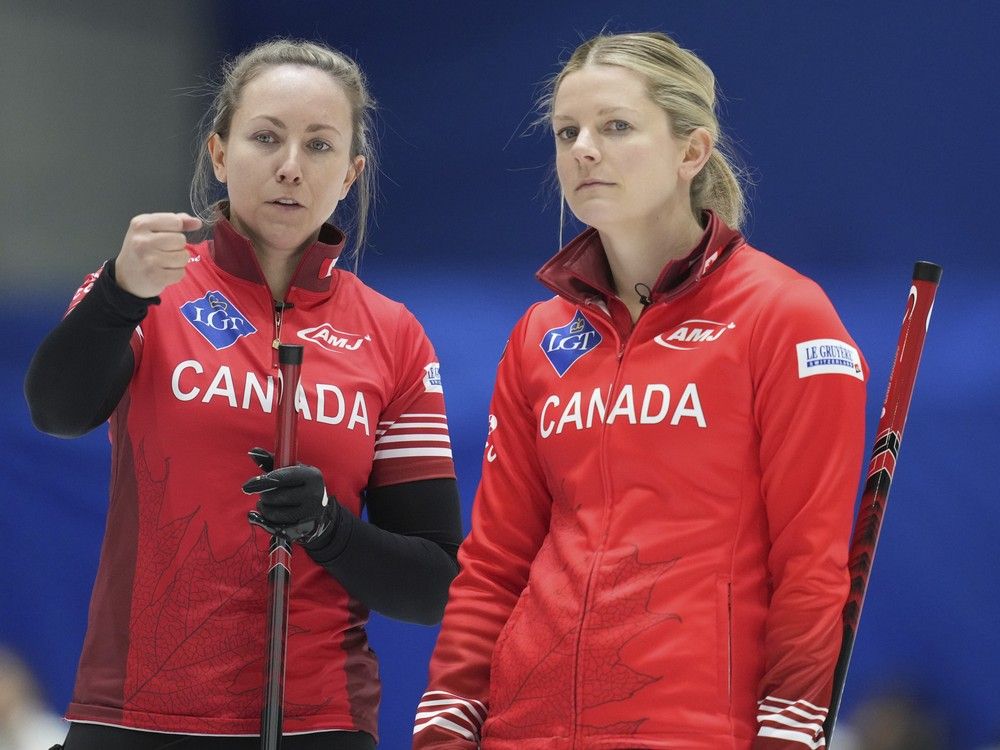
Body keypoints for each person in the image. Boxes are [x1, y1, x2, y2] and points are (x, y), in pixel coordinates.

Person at [412, 31, 867, 749]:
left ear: (692, 152)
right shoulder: (539, 335)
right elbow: (495, 562)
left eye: (616, 126)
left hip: (694, 732)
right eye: (569, 132)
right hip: (524, 729)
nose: (583, 149)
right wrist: (448, 717)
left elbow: (810, 569)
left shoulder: (785, 315)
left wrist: (790, 733)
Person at [25, 38, 463, 750]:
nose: (291, 166)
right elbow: (57, 412)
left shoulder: (394, 335)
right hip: (135, 711)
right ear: (220, 155)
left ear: (350, 174)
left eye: (320, 146)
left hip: (318, 720)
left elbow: (435, 582)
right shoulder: (150, 286)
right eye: (266, 138)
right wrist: (117, 294)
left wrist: (328, 527)